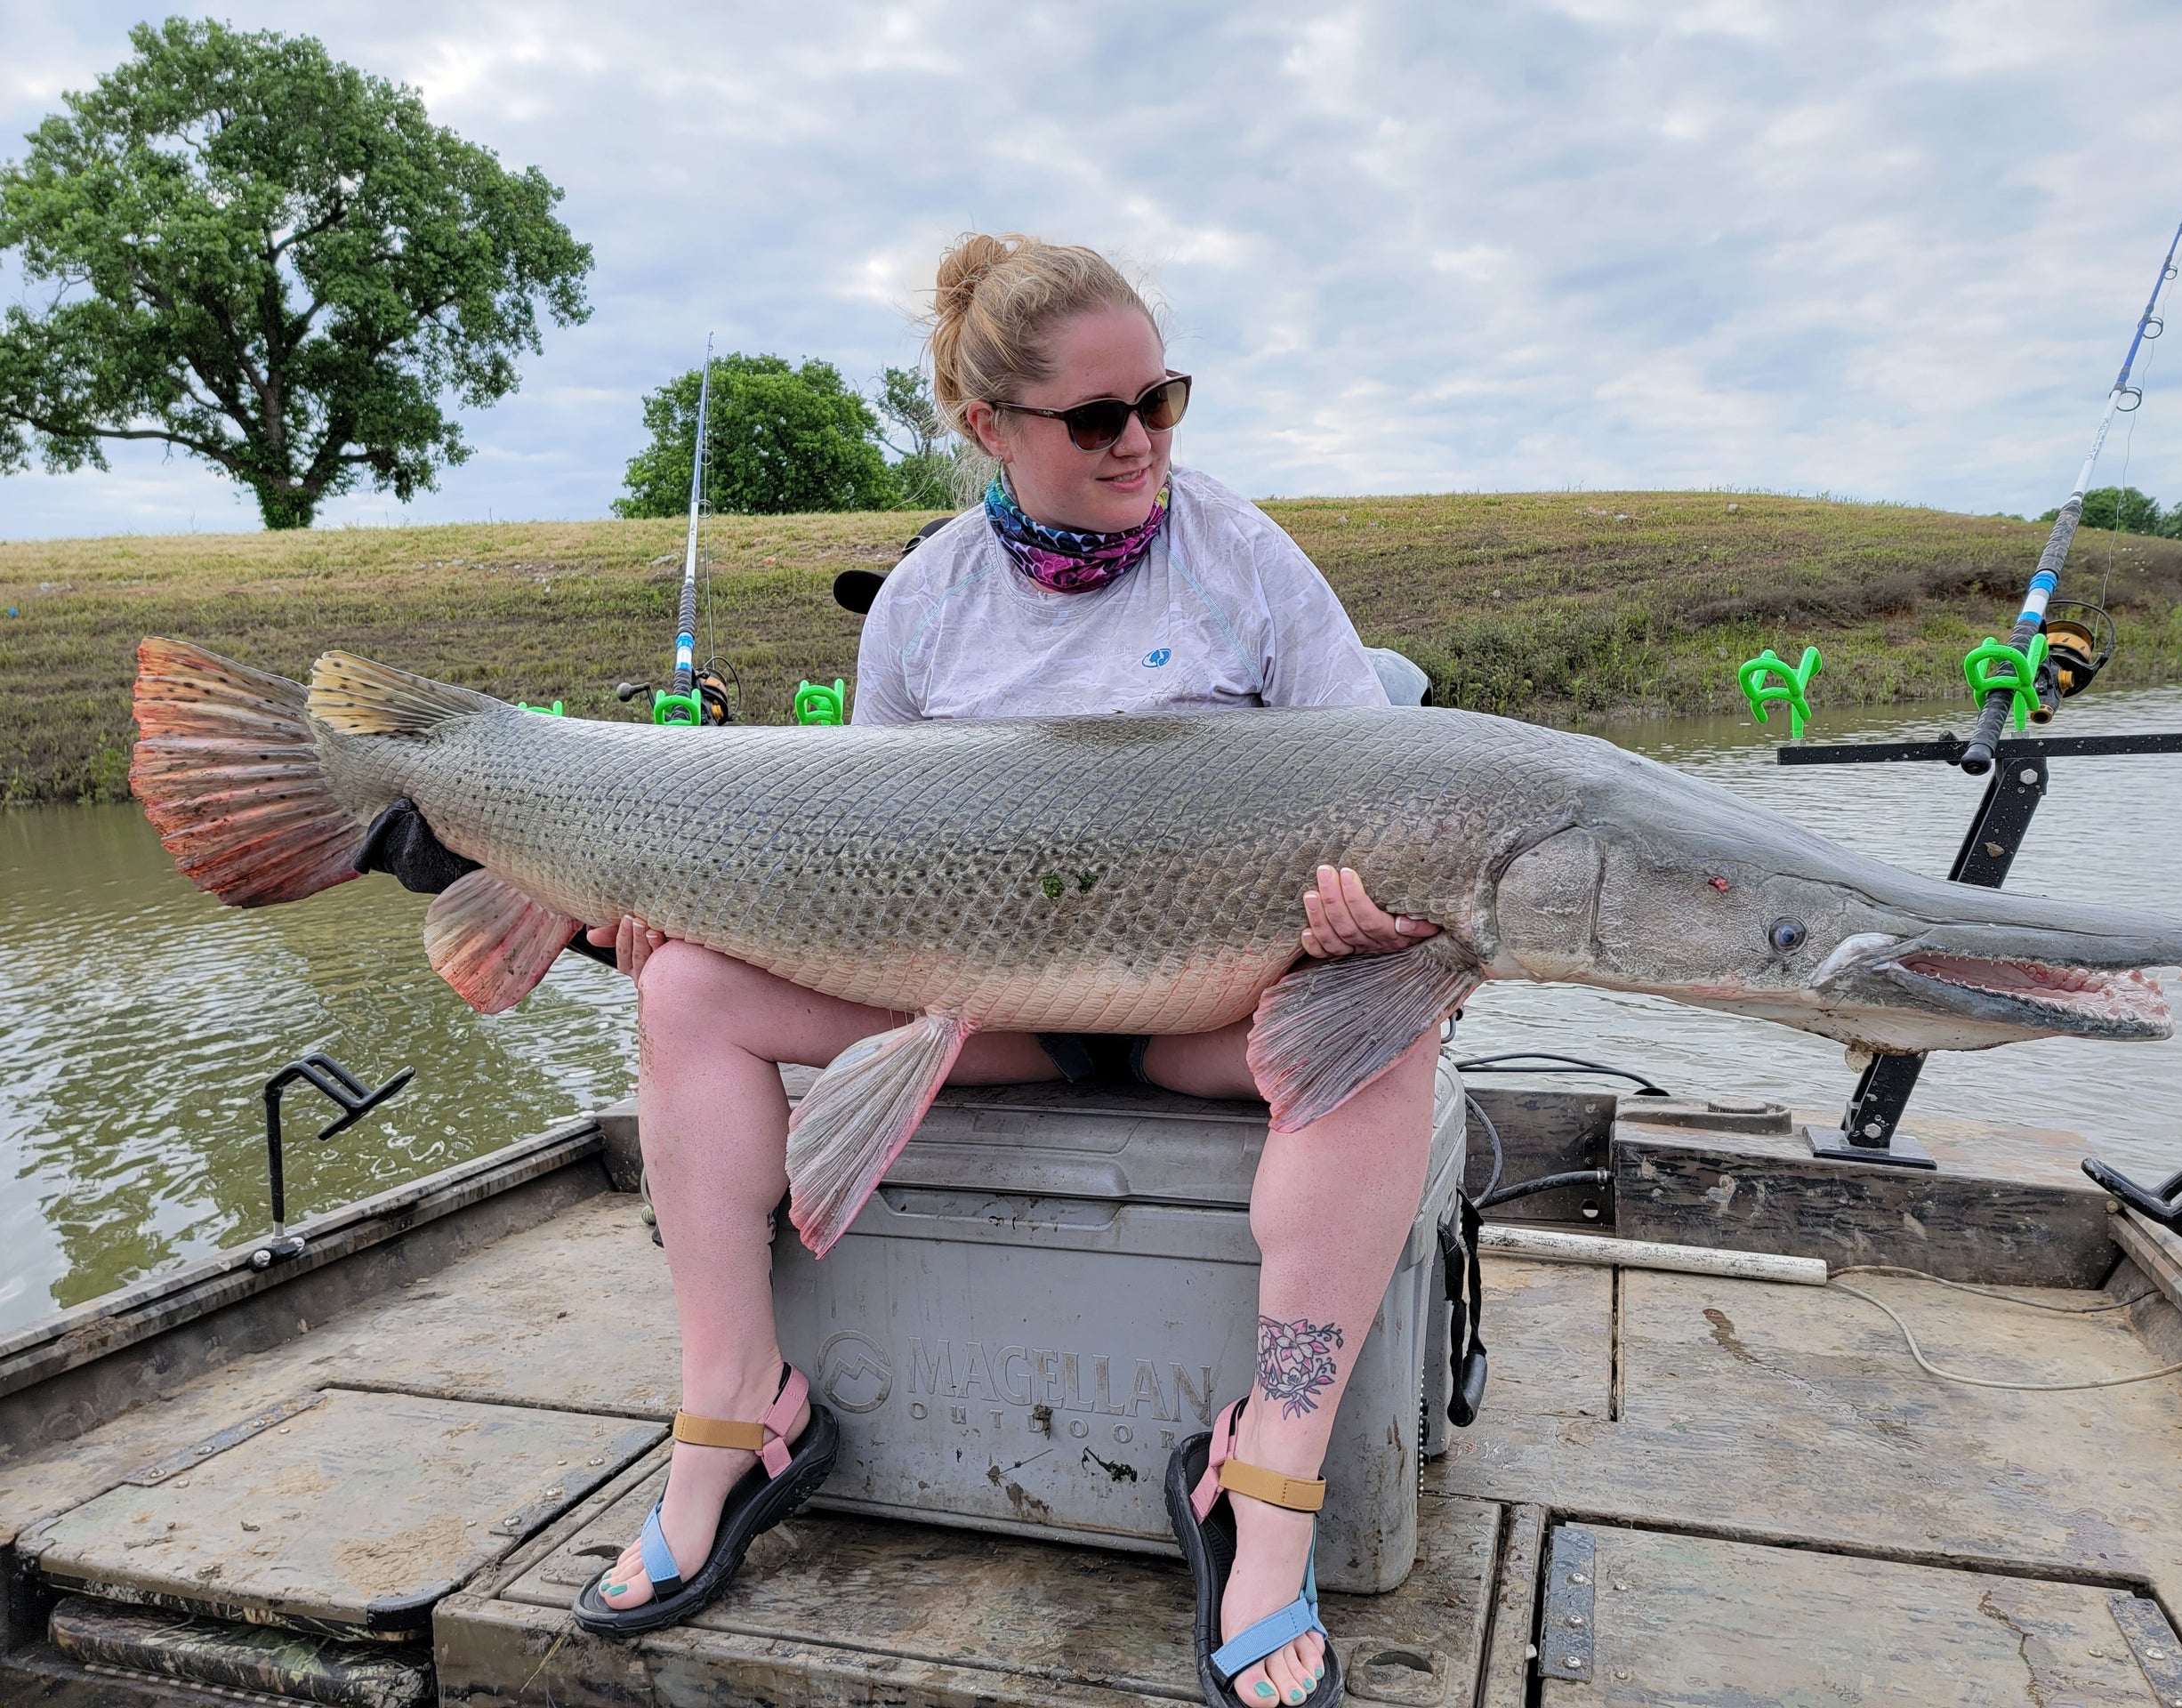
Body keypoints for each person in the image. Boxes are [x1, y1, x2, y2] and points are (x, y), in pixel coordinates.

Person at [371, 233, 1444, 1708]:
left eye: (1162, 401)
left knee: (1396, 1030)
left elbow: (1382, 781)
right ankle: (738, 1411)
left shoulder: (1245, 559)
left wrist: (1372, 919)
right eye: (1098, 417)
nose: (1141, 442)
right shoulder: (926, 601)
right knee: (684, 987)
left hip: (1210, 1011)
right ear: (989, 425)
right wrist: (660, 907)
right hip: (991, 1012)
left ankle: (1268, 1479)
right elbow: (857, 849)